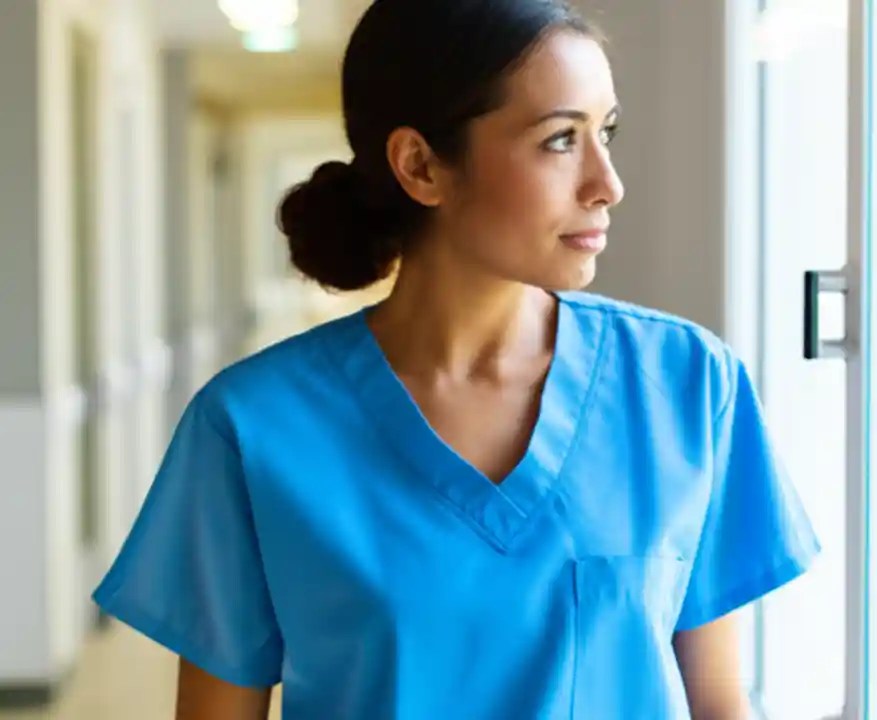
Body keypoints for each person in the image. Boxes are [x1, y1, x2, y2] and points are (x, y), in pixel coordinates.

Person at [92, 0, 820, 717]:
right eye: (560, 140)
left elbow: (718, 702)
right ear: (421, 166)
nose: (608, 184)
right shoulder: (254, 428)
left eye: (606, 132)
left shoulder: (686, 385)